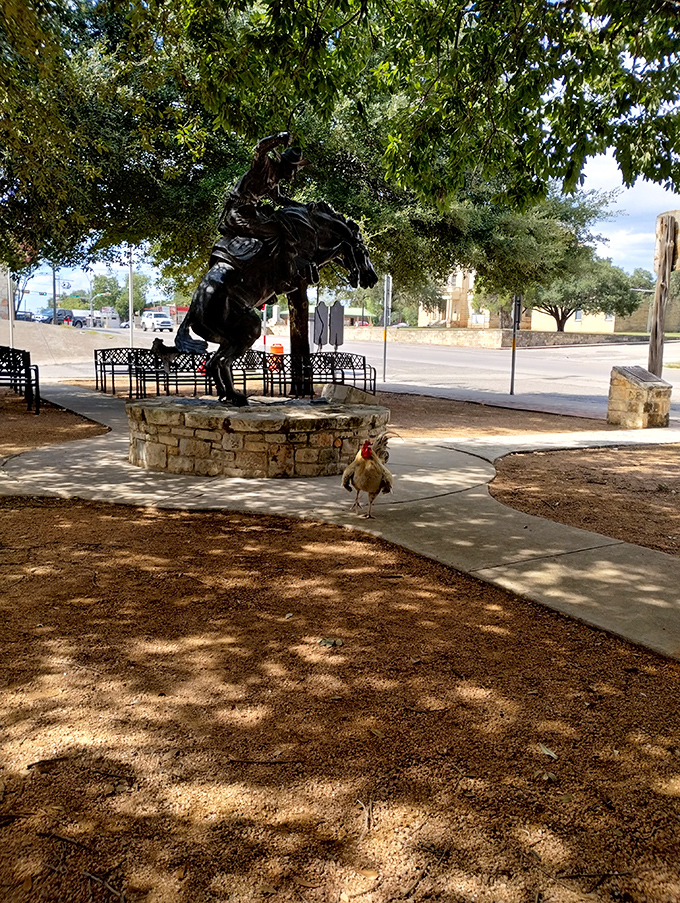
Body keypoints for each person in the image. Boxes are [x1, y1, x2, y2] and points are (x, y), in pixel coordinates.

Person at [216, 132, 317, 282]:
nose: (294, 174)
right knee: (278, 234)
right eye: (294, 169)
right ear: (287, 166)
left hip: (250, 213)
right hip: (238, 213)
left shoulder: (274, 179)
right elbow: (259, 149)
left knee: (283, 226)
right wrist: (278, 138)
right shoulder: (264, 166)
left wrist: (304, 207)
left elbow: (279, 199)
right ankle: (273, 278)